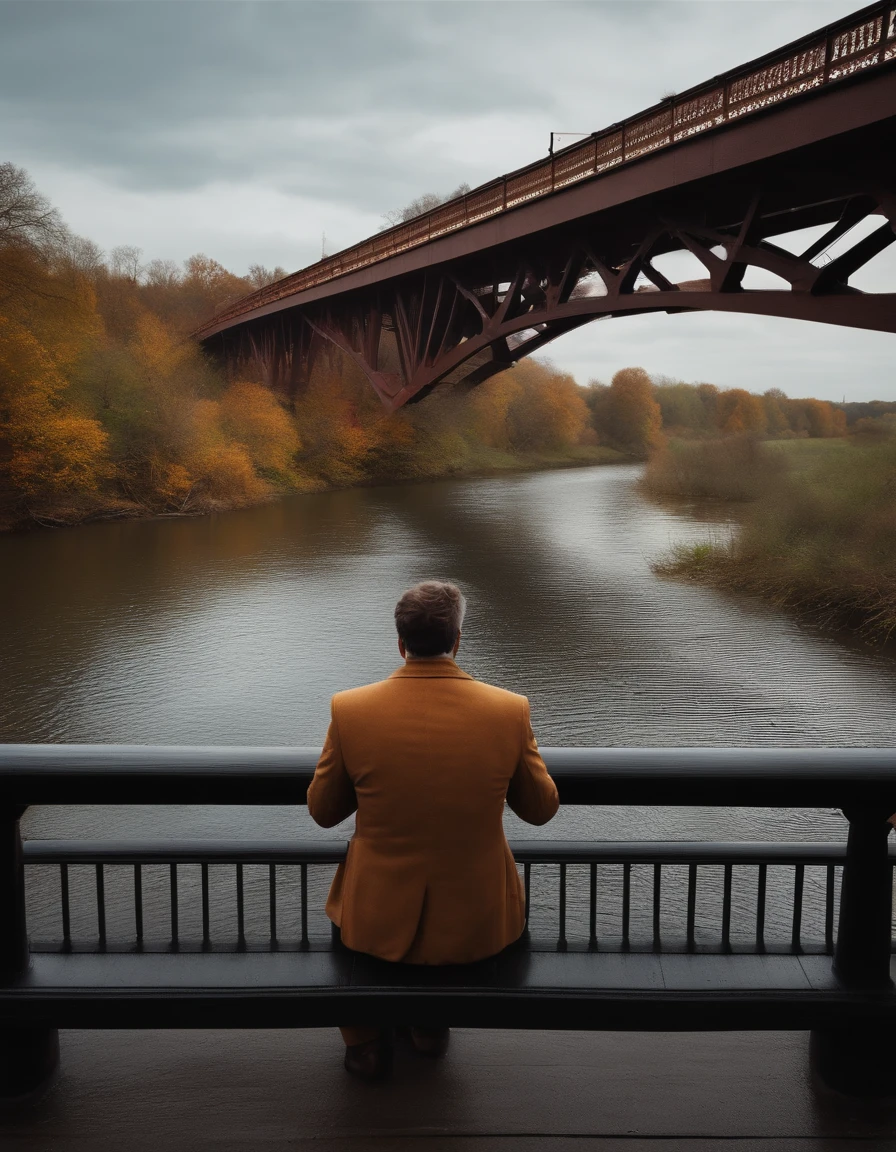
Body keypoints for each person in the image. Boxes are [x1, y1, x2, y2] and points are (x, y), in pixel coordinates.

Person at [307, 580, 559, 1080]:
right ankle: (428, 1031)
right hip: (479, 922)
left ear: (400, 643)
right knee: (444, 947)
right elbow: (540, 809)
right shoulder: (510, 710)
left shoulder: (350, 709)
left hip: (376, 918)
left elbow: (323, 811)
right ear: (457, 640)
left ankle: (364, 1045)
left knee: (348, 933)